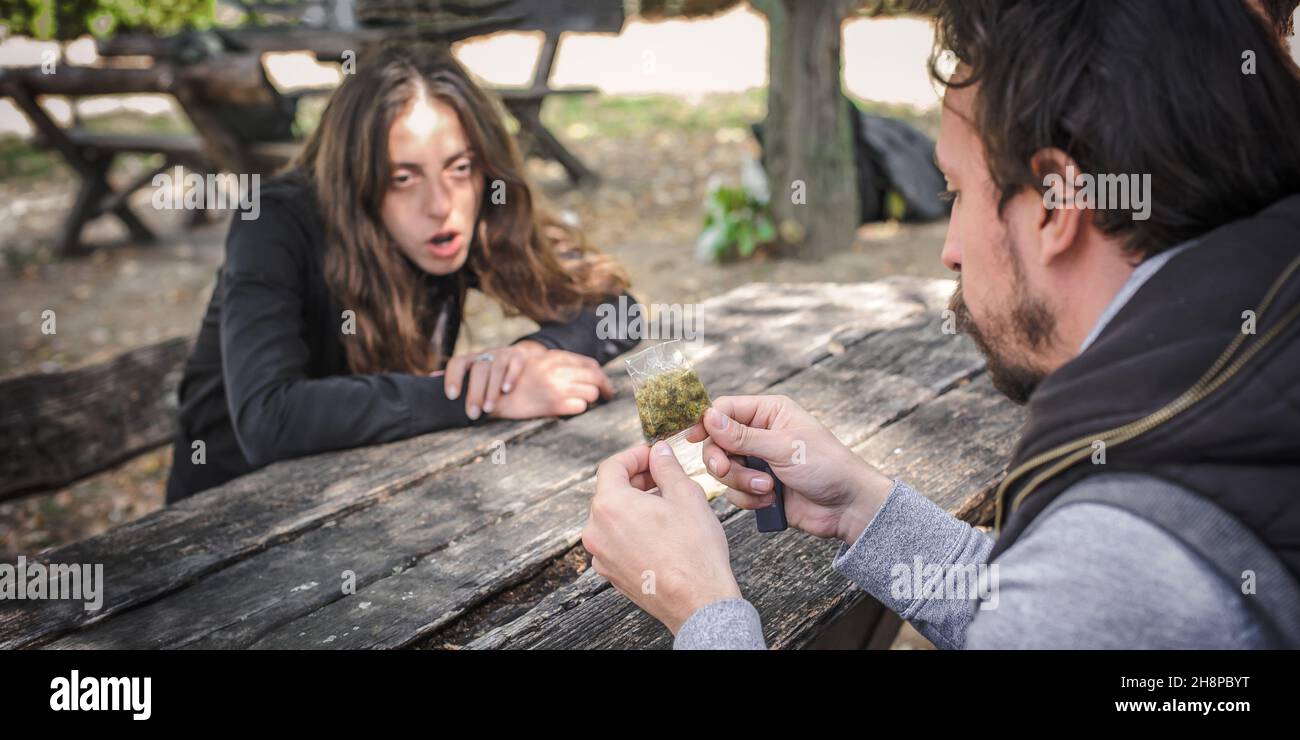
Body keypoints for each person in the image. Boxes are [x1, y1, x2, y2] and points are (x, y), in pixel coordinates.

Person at [583, 0, 1300, 648]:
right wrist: (863, 508)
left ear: (1056, 202)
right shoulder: (1254, 348)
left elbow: (1081, 601)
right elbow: (1040, 613)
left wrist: (701, 607)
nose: (949, 250)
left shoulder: (1121, 558)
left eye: (958, 192)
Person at [167, 44, 639, 502]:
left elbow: (620, 312)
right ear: (357, 179)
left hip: (376, 491)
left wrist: (529, 357)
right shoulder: (273, 221)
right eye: (403, 178)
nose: (440, 206)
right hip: (231, 521)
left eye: (460, 168)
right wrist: (478, 398)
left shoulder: (467, 217)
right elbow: (269, 419)